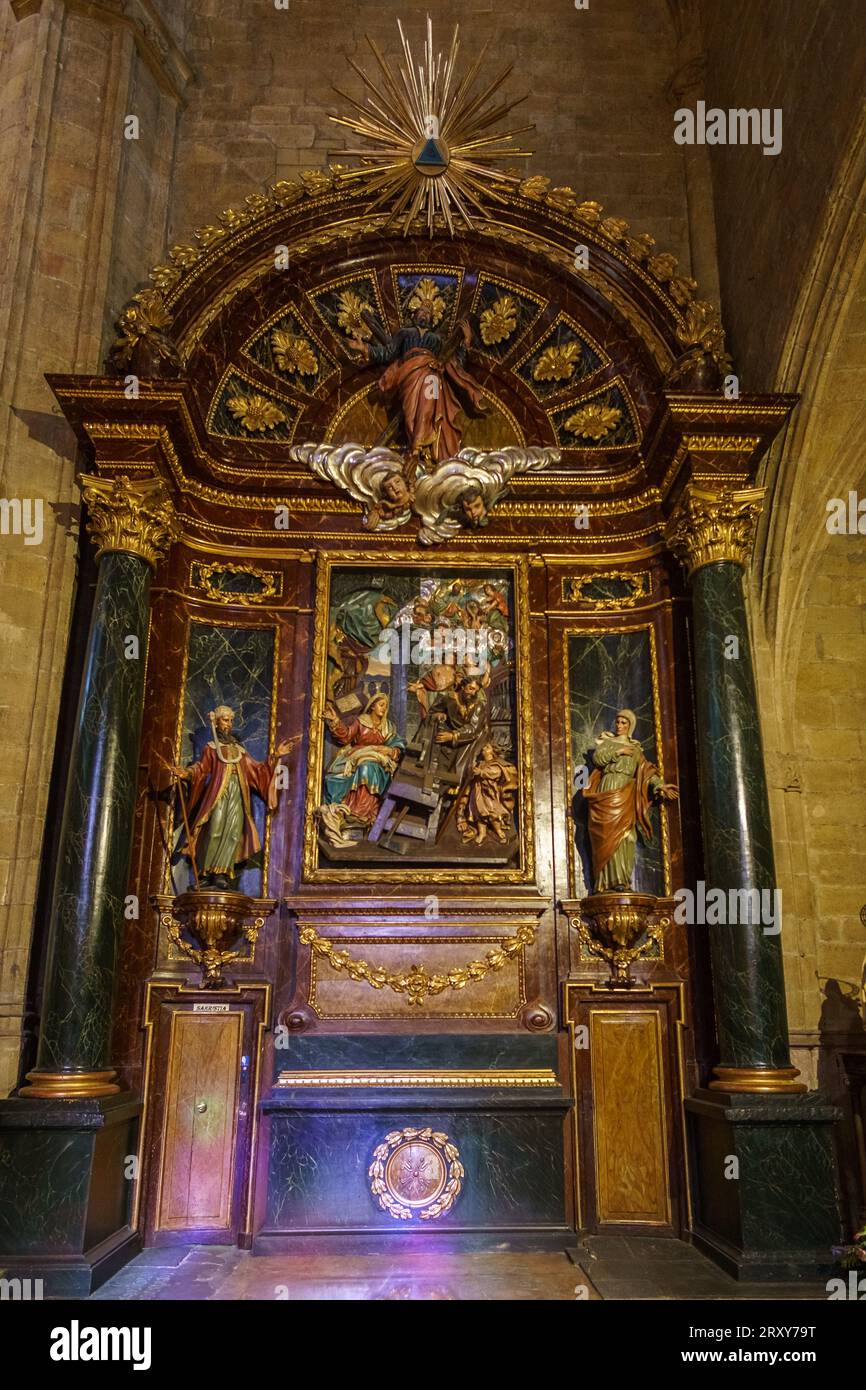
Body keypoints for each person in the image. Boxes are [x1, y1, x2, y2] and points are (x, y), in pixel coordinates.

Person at [173, 705, 292, 889]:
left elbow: (258, 771)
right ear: (217, 722)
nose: (228, 724)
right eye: (224, 719)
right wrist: (187, 773)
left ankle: (223, 873)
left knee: (233, 833)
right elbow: (201, 769)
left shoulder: (240, 751)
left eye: (230, 720)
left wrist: (276, 755)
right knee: (215, 829)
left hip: (237, 796)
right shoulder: (211, 749)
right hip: (218, 795)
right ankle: (208, 873)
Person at [349, 302, 485, 463]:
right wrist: (364, 348)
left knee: (431, 406)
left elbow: (455, 363)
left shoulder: (437, 340)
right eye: (421, 311)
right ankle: (417, 443)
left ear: (432, 319)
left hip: (432, 375)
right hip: (410, 374)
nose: (424, 314)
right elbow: (387, 353)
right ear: (414, 316)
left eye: (428, 313)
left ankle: (421, 446)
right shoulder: (404, 333)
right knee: (410, 410)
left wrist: (466, 343)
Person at [582, 708, 678, 892]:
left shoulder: (635, 750)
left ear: (630, 726)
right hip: (608, 788)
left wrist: (660, 786)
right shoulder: (608, 742)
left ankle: (621, 880)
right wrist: (618, 752)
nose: (619, 725)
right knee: (605, 834)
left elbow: (646, 772)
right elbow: (598, 759)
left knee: (627, 836)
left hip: (626, 792)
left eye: (624, 722)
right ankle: (604, 882)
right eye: (617, 722)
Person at [319, 692, 405, 846]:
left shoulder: (388, 727)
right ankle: (350, 812)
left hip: (379, 764)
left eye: (386, 706)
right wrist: (335, 722)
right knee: (337, 776)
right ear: (372, 705)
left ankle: (361, 814)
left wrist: (391, 751)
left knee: (367, 768)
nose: (384, 709)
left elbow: (397, 744)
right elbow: (346, 737)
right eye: (381, 705)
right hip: (356, 757)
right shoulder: (361, 722)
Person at [456, 741, 519, 845]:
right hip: (478, 791)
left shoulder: (497, 763)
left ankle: (498, 831)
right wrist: (472, 772)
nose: (483, 749)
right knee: (479, 813)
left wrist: (481, 772)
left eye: (487, 747)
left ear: (493, 751)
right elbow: (473, 776)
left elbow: (496, 772)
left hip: (490, 794)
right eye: (483, 747)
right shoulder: (480, 763)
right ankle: (482, 833)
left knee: (492, 812)